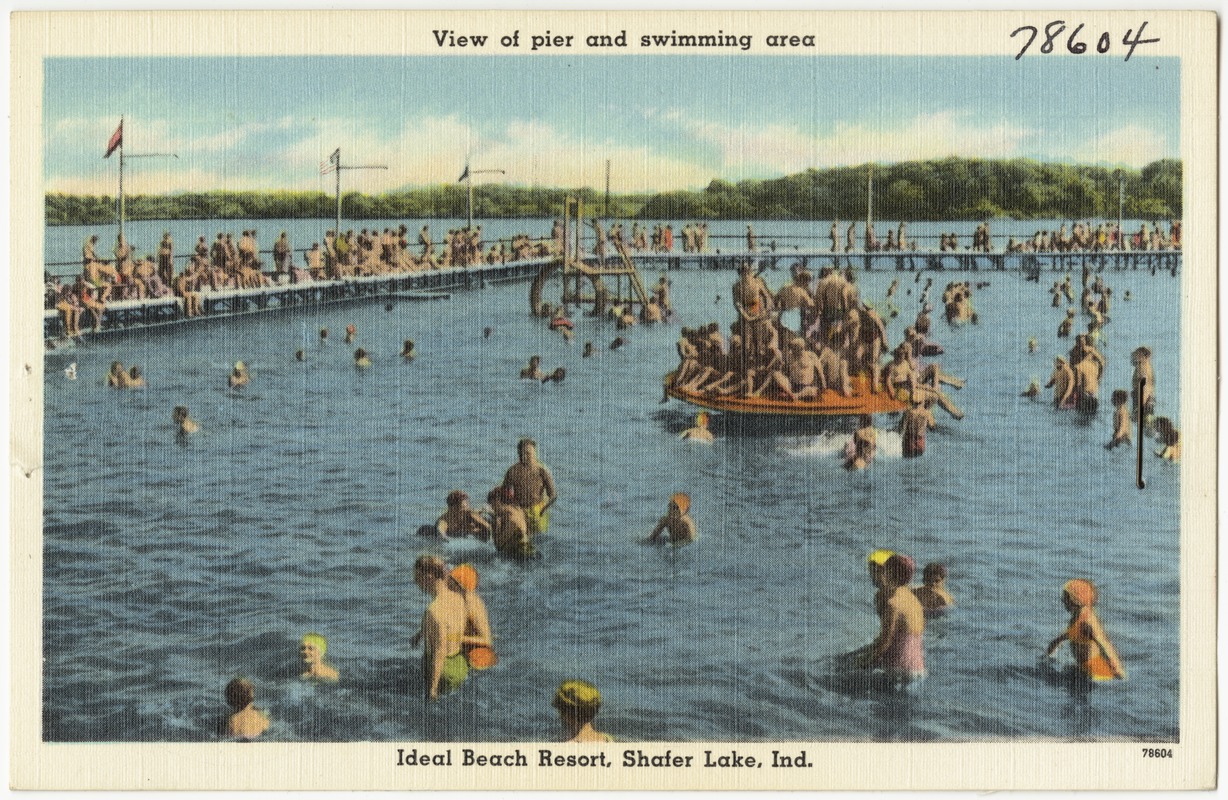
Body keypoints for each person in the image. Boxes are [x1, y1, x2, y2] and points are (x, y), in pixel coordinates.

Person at [859, 554, 925, 684]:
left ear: (888, 573)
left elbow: (885, 642)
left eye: (884, 569)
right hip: (918, 670)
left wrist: (862, 663)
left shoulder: (892, 604)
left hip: (898, 672)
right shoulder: (910, 596)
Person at [1045, 579, 1126, 681]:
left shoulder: (1088, 623)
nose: (1062, 600)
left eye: (1065, 598)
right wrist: (1048, 654)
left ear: (1075, 600)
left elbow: (1104, 646)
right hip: (1083, 669)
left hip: (1096, 673)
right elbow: (1067, 635)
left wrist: (1117, 670)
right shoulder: (1077, 616)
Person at [413, 555, 469, 699]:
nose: (415, 582)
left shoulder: (433, 610)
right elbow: (449, 627)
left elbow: (440, 651)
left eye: (417, 577)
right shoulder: (458, 598)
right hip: (460, 667)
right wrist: (420, 634)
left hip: (444, 673)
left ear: (429, 576)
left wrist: (432, 690)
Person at [503, 439, 557, 535]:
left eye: (528, 453)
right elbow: (504, 495)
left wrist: (543, 509)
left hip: (537, 511)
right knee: (522, 540)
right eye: (521, 454)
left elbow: (553, 495)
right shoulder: (512, 471)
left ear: (534, 453)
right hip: (519, 511)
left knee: (538, 539)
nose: (524, 457)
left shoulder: (542, 471)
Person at [449, 563, 496, 669]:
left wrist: (456, 638)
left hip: (479, 656)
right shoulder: (456, 598)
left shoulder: (473, 605)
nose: (447, 582)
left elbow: (487, 640)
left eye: (451, 580)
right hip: (464, 648)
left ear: (460, 586)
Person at [488, 486, 534, 558]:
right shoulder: (519, 510)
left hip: (523, 558)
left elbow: (499, 546)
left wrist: (496, 525)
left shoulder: (512, 519)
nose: (492, 508)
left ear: (498, 501)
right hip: (529, 553)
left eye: (492, 505)